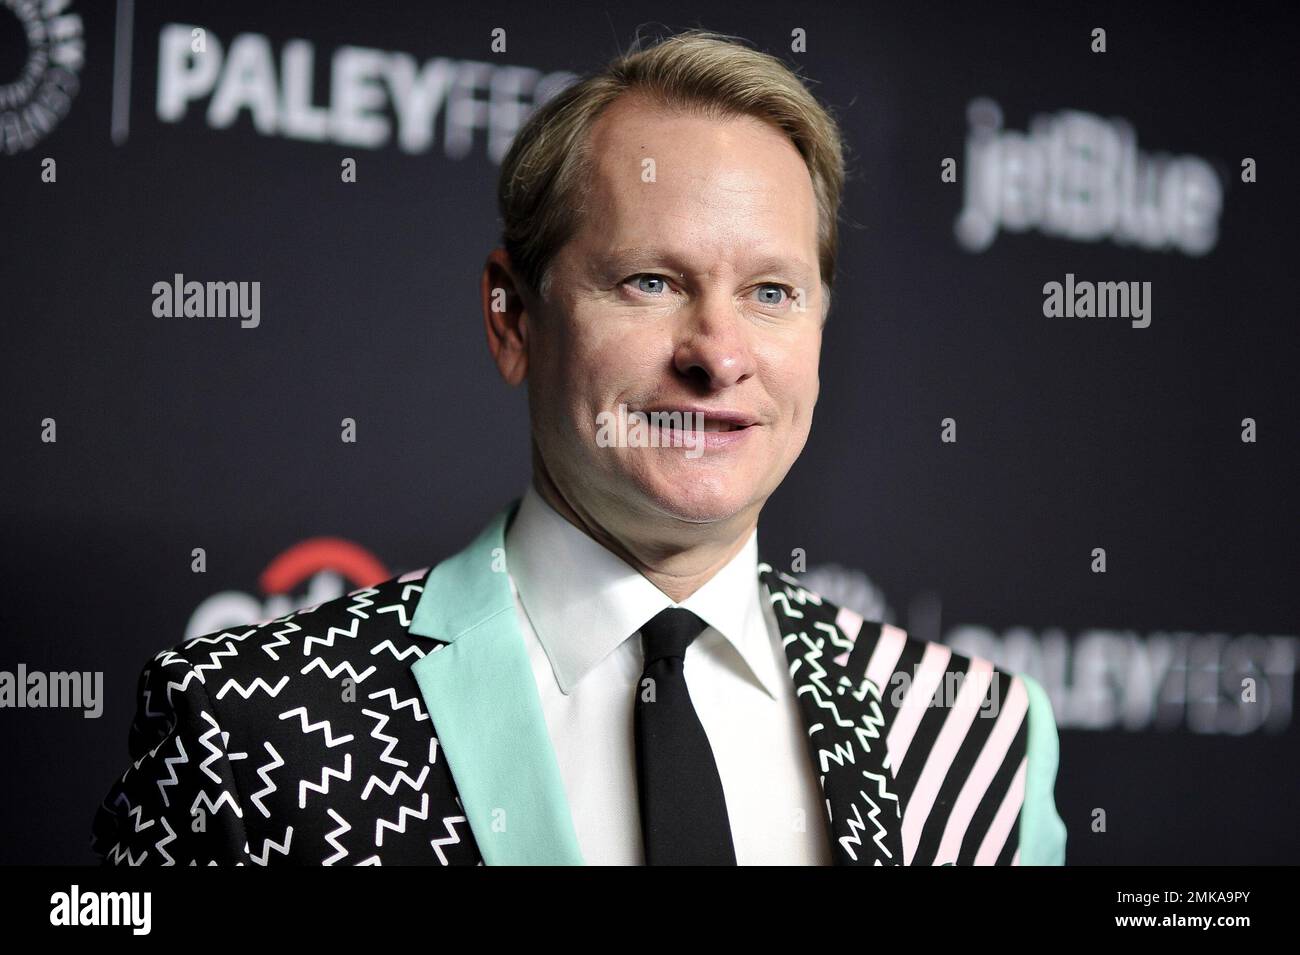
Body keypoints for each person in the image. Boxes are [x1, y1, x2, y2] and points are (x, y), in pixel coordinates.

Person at [91, 29, 1066, 866]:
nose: (718, 354)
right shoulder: (247, 724)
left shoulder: (968, 734)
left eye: (771, 292)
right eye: (648, 280)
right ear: (512, 316)